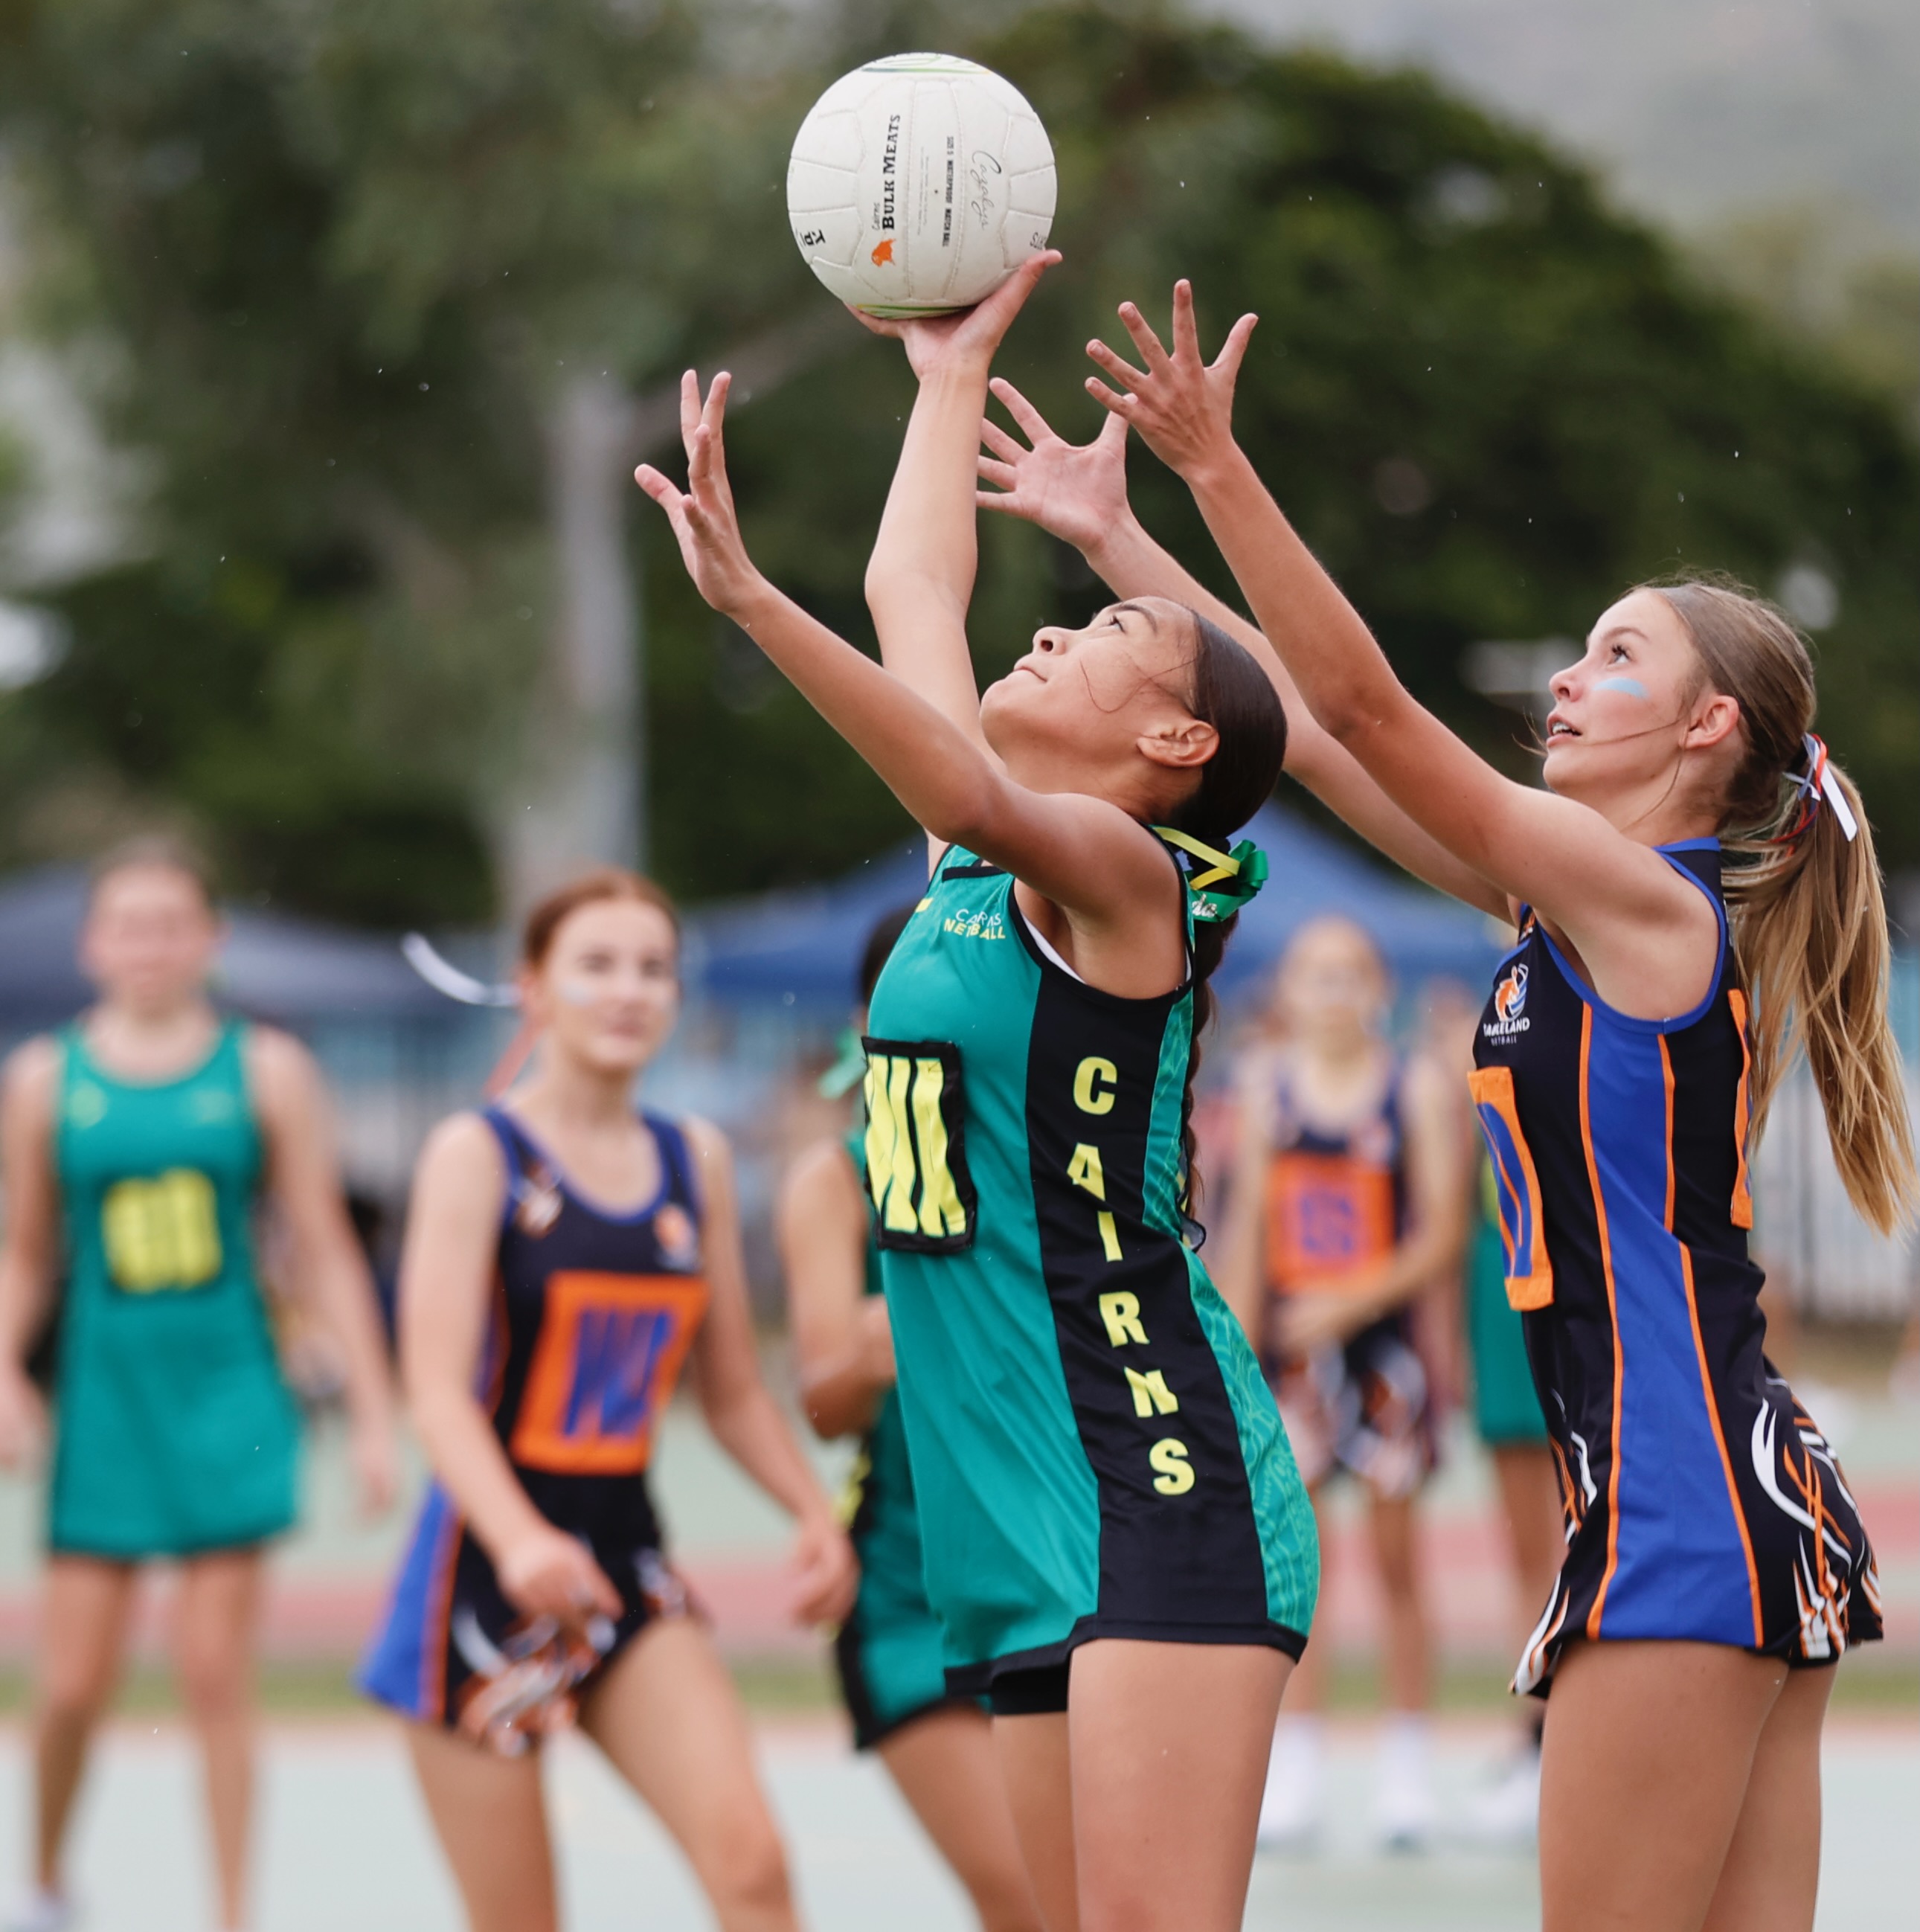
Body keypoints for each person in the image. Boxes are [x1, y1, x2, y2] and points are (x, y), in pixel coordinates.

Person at [1071, 280, 1912, 1932]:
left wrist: (1217, 466)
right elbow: (1309, 735)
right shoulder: (1575, 911)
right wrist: (1118, 538)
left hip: (1679, 1501)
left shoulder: (1649, 910)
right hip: (1718, 1484)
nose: (1568, 678)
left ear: (1707, 726)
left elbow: (1373, 705)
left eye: (1616, 657)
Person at [638, 255, 1320, 1932]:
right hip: (1004, 1495)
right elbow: (916, 594)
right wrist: (946, 376)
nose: (1048, 626)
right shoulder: (975, 862)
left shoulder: (1132, 874)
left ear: (1174, 750)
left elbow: (940, 752)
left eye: (1100, 635)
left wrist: (745, 602)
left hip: (1154, 1469)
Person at [359, 867, 857, 1932]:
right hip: (480, 1588)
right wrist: (523, 1540)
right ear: (533, 987)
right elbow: (436, 1393)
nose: (628, 989)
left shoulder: (695, 1161)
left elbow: (728, 1392)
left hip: (627, 1563)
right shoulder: (476, 1153)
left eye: (652, 968)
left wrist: (813, 1514)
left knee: (754, 1867)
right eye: (596, 965)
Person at [0, 835, 399, 1932]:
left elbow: (322, 1249)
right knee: (73, 1683)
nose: (151, 945)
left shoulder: (266, 1070)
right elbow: (26, 1254)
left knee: (215, 1673)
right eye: (128, 924)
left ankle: (231, 1914)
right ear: (92, 944)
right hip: (107, 1391)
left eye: (173, 924)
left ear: (211, 940)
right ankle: (43, 1883)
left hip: (228, 1387)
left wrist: (373, 1413)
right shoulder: (44, 1080)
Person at [777, 906, 1042, 1932]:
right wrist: (882, 1344)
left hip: (1053, 1571)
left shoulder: (1039, 1166)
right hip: (907, 1597)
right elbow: (823, 1401)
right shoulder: (835, 1181)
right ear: (865, 1022)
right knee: (1022, 1895)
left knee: (1094, 1897)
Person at [1219, 920, 1465, 1849]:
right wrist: (1238, 1348)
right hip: (1292, 1356)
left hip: (1384, 1356)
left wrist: (1352, 1301)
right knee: (1298, 1566)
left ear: (1375, 986)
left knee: (1398, 1560)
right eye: (1313, 973)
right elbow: (1248, 1225)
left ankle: (1406, 1764)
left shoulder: (1413, 1088)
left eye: (1347, 973)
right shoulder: (1262, 1085)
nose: (1330, 990)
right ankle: (1301, 1762)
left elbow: (1439, 1233)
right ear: (1286, 988)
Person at [1424, 977, 1563, 1844]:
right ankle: (1537, 1735)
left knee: (1593, 1535)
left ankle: (1565, 1735)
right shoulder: (1485, 1027)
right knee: (1526, 1549)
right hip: (1501, 1279)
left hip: (1584, 1276)